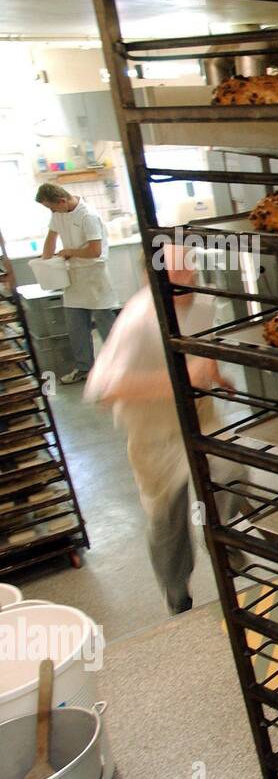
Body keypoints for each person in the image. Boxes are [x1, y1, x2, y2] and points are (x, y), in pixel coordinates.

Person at [85, 260, 241, 615]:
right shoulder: (138, 319)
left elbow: (200, 346)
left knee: (232, 478)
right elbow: (104, 388)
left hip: (201, 421)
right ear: (148, 275)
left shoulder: (202, 302)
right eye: (172, 270)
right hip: (155, 436)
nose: (184, 276)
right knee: (168, 524)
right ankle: (176, 597)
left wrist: (216, 375)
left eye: (188, 265)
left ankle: (226, 550)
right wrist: (181, 379)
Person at [35, 183, 122, 384]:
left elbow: (95, 251)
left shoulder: (87, 216)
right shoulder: (58, 214)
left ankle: (120, 368)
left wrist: (69, 252)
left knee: (106, 325)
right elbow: (51, 238)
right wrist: (45, 263)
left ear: (62, 201)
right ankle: (84, 368)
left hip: (94, 276)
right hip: (73, 278)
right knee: (76, 328)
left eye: (51, 207)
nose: (51, 211)